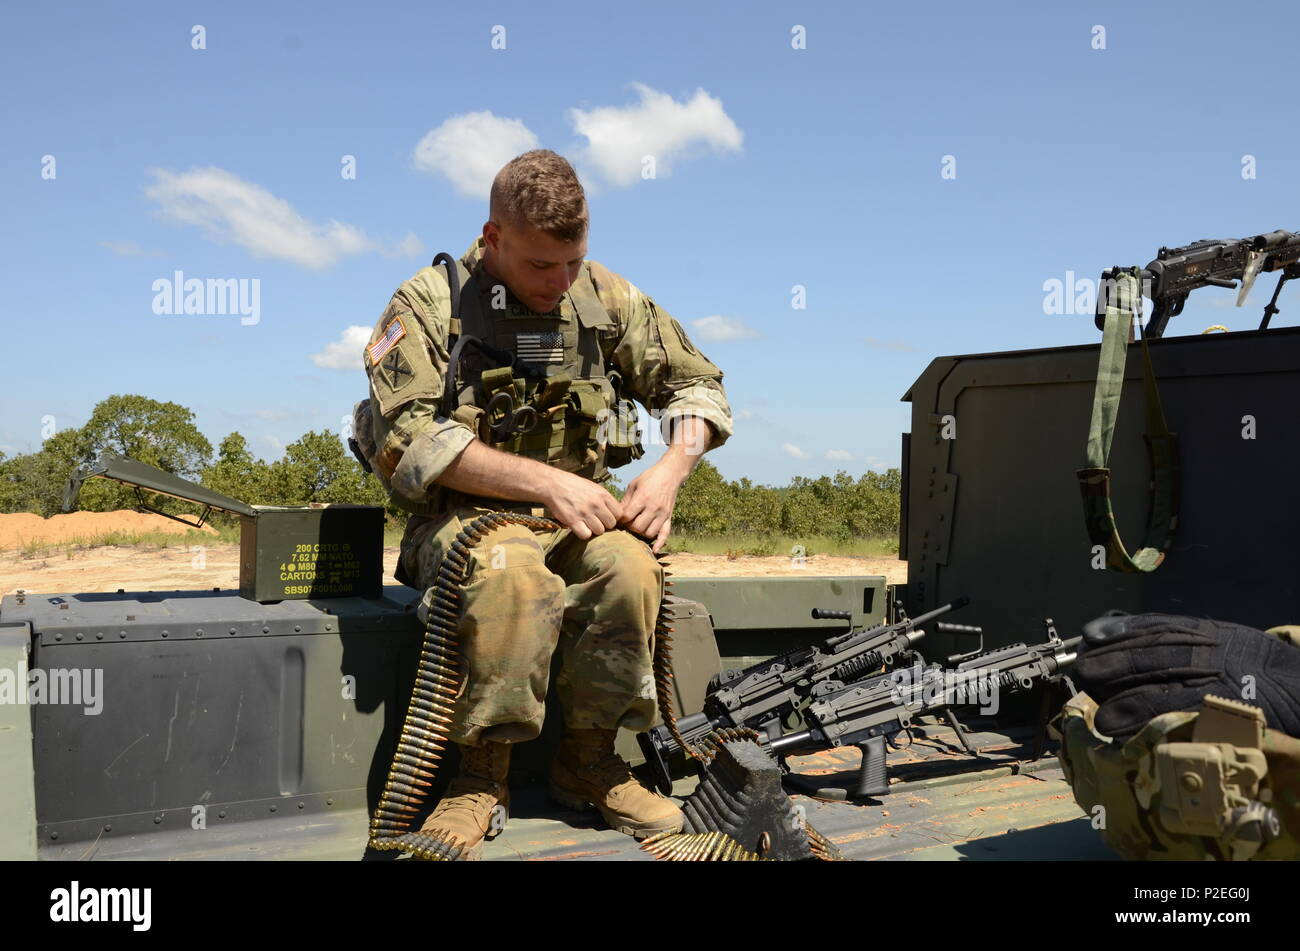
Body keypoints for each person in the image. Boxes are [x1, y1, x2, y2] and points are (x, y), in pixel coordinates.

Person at [353, 149, 734, 859]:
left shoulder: (602, 296)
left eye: (572, 262)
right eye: (539, 267)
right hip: (462, 524)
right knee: (512, 570)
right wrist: (545, 483)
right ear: (493, 238)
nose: (559, 283)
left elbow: (698, 386)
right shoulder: (430, 302)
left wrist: (672, 465)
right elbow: (404, 440)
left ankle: (587, 760)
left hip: (575, 520)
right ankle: (479, 776)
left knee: (629, 564)